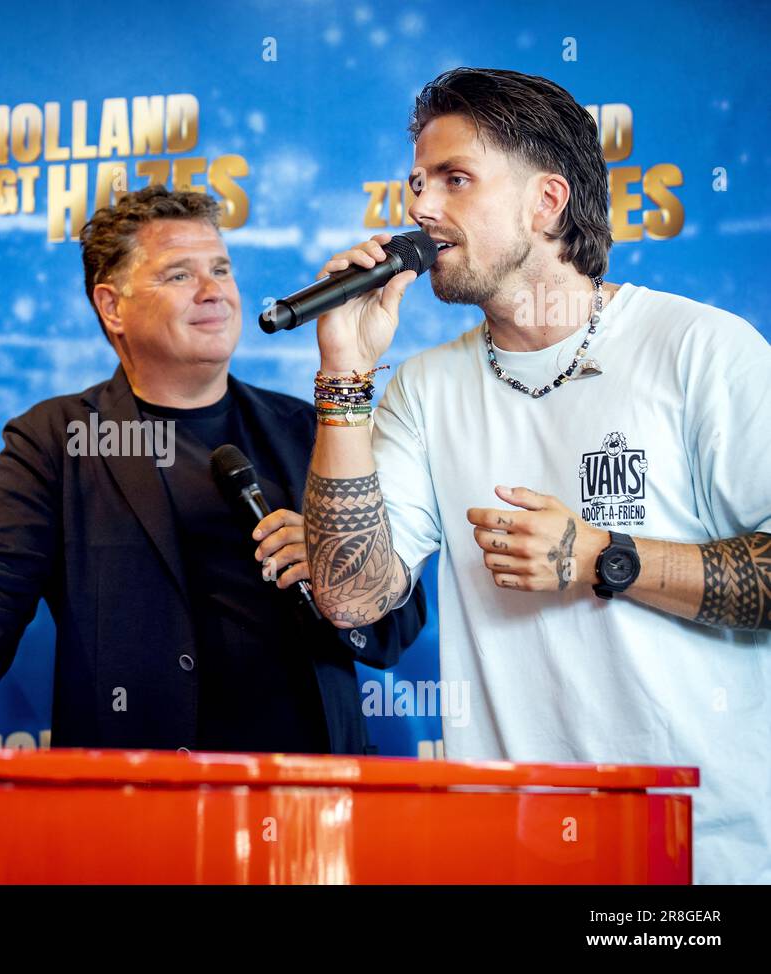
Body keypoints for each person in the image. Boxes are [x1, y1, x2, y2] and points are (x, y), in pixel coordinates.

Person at [302, 68, 770, 882]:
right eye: (416, 184)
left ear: (546, 202)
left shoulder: (700, 350)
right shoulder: (422, 387)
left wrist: (605, 558)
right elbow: (351, 597)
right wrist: (345, 377)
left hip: (699, 858)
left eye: (455, 180)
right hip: (508, 856)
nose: (420, 209)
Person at [0, 186, 426, 754]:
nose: (215, 293)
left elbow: (392, 634)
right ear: (112, 306)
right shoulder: (54, 438)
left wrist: (344, 558)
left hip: (306, 795)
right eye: (179, 275)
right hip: (134, 799)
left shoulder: (313, 429)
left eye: (221, 269)